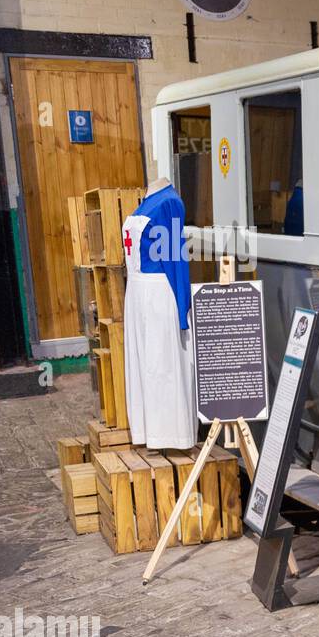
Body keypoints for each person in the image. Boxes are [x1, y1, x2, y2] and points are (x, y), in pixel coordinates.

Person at [122, 180, 196, 450]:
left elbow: (175, 257)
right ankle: (148, 430)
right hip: (138, 292)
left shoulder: (168, 202)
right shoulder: (148, 201)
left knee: (162, 362)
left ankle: (170, 433)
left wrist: (181, 306)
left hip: (157, 292)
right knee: (145, 362)